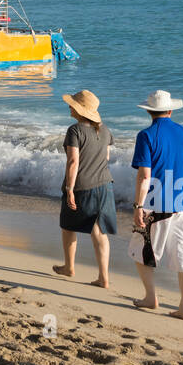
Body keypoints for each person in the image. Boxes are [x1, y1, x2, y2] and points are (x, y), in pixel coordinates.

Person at [130, 89, 183, 321]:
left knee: (141, 249)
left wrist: (138, 206)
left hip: (155, 203)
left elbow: (144, 177)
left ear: (149, 111)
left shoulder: (146, 135)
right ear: (170, 110)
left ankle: (151, 298)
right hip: (182, 204)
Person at [52, 90, 117, 288]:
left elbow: (73, 161)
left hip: (82, 185)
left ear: (81, 110)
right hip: (105, 185)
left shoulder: (75, 130)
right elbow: (106, 157)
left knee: (68, 226)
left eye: (72, 105)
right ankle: (103, 277)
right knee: (99, 231)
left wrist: (70, 188)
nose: (69, 107)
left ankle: (69, 267)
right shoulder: (105, 130)